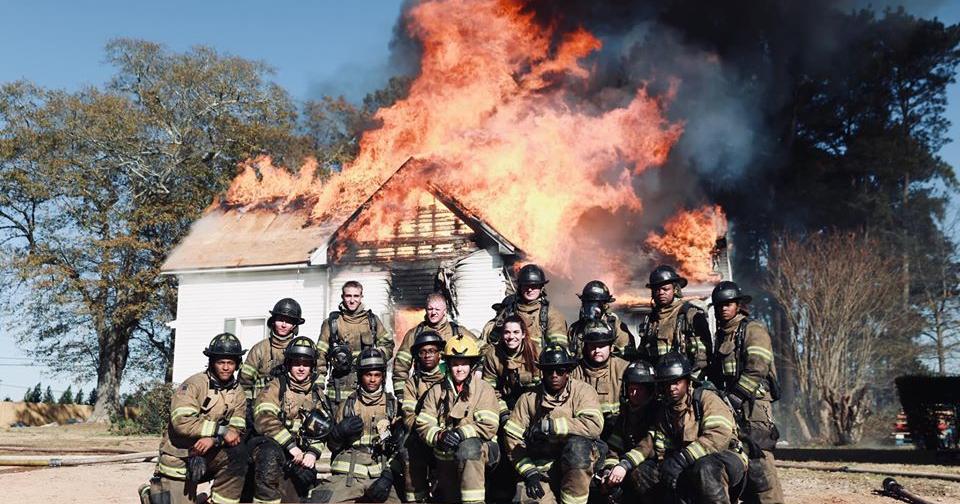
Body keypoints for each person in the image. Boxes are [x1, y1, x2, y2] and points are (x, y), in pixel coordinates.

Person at [141, 333, 248, 504]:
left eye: (231, 363)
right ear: (212, 362)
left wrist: (214, 440)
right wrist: (221, 430)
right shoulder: (193, 385)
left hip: (211, 452)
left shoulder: (238, 392)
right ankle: (150, 496)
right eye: (221, 362)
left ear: (237, 365)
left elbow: (237, 429)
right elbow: (182, 423)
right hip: (181, 455)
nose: (226, 367)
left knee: (239, 453)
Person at [707, 281, 785, 504]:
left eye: (728, 303)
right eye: (720, 304)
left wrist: (737, 396)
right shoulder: (722, 335)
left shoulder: (752, 329)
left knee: (760, 456)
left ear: (739, 305)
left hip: (754, 405)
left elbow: (758, 366)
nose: (724, 308)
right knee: (738, 454)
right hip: (732, 406)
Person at [639, 352, 747, 504]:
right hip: (688, 463)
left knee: (705, 468)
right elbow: (659, 445)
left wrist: (681, 460)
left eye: (677, 382)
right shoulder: (664, 410)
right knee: (647, 472)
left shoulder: (706, 399)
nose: (671, 388)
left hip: (725, 458)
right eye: (667, 383)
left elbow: (717, 437)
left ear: (687, 380)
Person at [503, 344, 604, 504]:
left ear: (568, 372)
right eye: (549, 371)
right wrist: (529, 472)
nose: (554, 375)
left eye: (560, 371)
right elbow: (512, 440)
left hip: (578, 466)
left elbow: (592, 425)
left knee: (578, 448)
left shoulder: (583, 392)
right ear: (542, 372)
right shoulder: (528, 399)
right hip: (542, 469)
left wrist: (550, 426)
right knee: (527, 500)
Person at [414, 335, 501, 503]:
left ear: (472, 366)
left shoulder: (484, 389)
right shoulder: (436, 390)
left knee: (469, 448)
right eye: (455, 364)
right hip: (446, 453)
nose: (459, 369)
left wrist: (461, 433)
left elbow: (488, 425)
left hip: (480, 451)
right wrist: (440, 436)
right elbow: (423, 423)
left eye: (464, 364)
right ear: (448, 365)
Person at [314, 347, 402, 503]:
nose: (373, 380)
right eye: (368, 375)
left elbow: (400, 450)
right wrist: (339, 433)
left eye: (377, 375)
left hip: (380, 475)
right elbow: (333, 447)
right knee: (318, 501)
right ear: (361, 376)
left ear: (383, 377)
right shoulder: (348, 404)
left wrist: (388, 477)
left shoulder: (393, 406)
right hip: (348, 475)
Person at [250, 336, 332, 503]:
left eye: (306, 364)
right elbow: (264, 418)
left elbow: (322, 430)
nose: (301, 368)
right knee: (269, 458)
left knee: (300, 491)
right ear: (288, 364)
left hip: (299, 456)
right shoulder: (275, 387)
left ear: (313, 367)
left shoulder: (318, 395)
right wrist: (291, 446)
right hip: (272, 447)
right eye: (296, 363)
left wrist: (312, 453)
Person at [317, 281, 394, 410]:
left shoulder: (372, 321)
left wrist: (374, 357)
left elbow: (388, 344)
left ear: (361, 297)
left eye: (356, 296)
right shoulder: (332, 323)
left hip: (367, 388)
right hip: (339, 389)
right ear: (342, 297)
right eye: (348, 296)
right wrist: (319, 385)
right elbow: (320, 355)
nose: (352, 300)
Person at [392, 292, 478, 398]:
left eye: (437, 309)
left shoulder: (457, 331)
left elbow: (484, 349)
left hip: (453, 390)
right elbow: (401, 365)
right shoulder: (415, 334)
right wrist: (401, 393)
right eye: (430, 309)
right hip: (423, 387)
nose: (433, 313)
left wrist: (477, 372)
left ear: (445, 311)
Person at [595, 362, 658, 502]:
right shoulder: (625, 413)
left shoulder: (657, 412)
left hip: (654, 468)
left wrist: (623, 466)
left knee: (639, 474)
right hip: (629, 464)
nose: (633, 393)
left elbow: (646, 445)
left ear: (649, 390)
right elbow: (614, 447)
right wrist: (609, 470)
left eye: (639, 389)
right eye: (631, 388)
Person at [398, 330, 447, 502]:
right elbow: (408, 415)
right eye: (423, 352)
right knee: (407, 450)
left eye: (432, 351)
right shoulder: (413, 383)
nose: (427, 355)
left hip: (445, 435)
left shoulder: (448, 378)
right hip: (420, 435)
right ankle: (416, 498)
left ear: (439, 354)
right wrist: (424, 434)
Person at [637, 265, 709, 372]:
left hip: (683, 380)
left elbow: (702, 358)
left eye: (665, 289)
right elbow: (642, 354)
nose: (661, 292)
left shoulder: (689, 315)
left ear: (675, 289)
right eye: (657, 289)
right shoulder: (650, 320)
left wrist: (691, 381)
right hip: (658, 380)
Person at [482, 264, 567, 349]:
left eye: (534, 286)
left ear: (541, 288)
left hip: (536, 361)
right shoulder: (509, 309)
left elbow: (558, 348)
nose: (530, 289)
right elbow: (490, 338)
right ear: (520, 287)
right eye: (526, 285)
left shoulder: (551, 314)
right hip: (507, 360)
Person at [239, 298, 305, 403]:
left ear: (295, 326)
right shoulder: (259, 349)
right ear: (273, 321)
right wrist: (248, 407)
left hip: (291, 409)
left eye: (288, 321)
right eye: (280, 320)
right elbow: (244, 383)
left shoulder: (300, 349)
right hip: (262, 408)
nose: (283, 325)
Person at [571, 320, 630, 428]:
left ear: (611, 347)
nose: (597, 350)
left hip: (616, 427)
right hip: (584, 426)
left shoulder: (623, 368)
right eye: (592, 346)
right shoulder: (574, 371)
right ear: (585, 347)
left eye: (602, 346)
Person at [567, 281, 636, 359]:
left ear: (605, 306)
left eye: (596, 304)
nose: (591, 309)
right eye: (588, 303)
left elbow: (627, 358)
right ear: (583, 304)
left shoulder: (616, 327)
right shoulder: (575, 329)